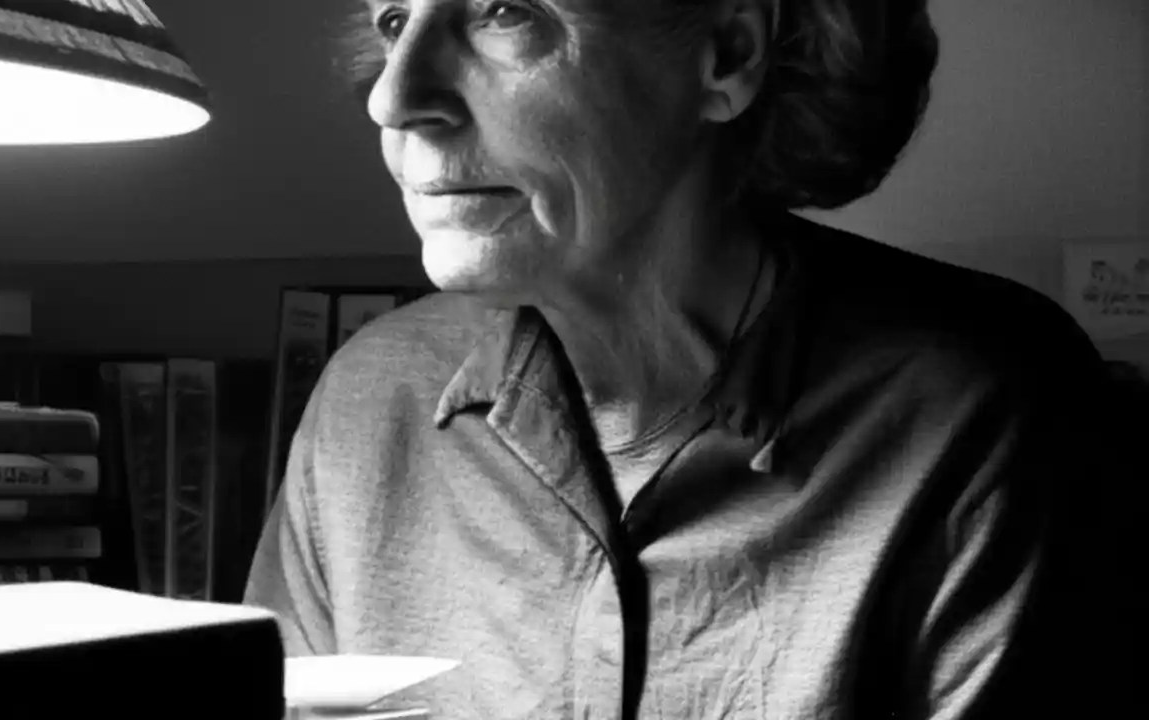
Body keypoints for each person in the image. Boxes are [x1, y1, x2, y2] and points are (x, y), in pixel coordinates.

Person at [245, 0, 1130, 717]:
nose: (395, 99)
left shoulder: (985, 408)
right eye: (394, 20)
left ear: (727, 55)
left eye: (506, 12)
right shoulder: (369, 402)